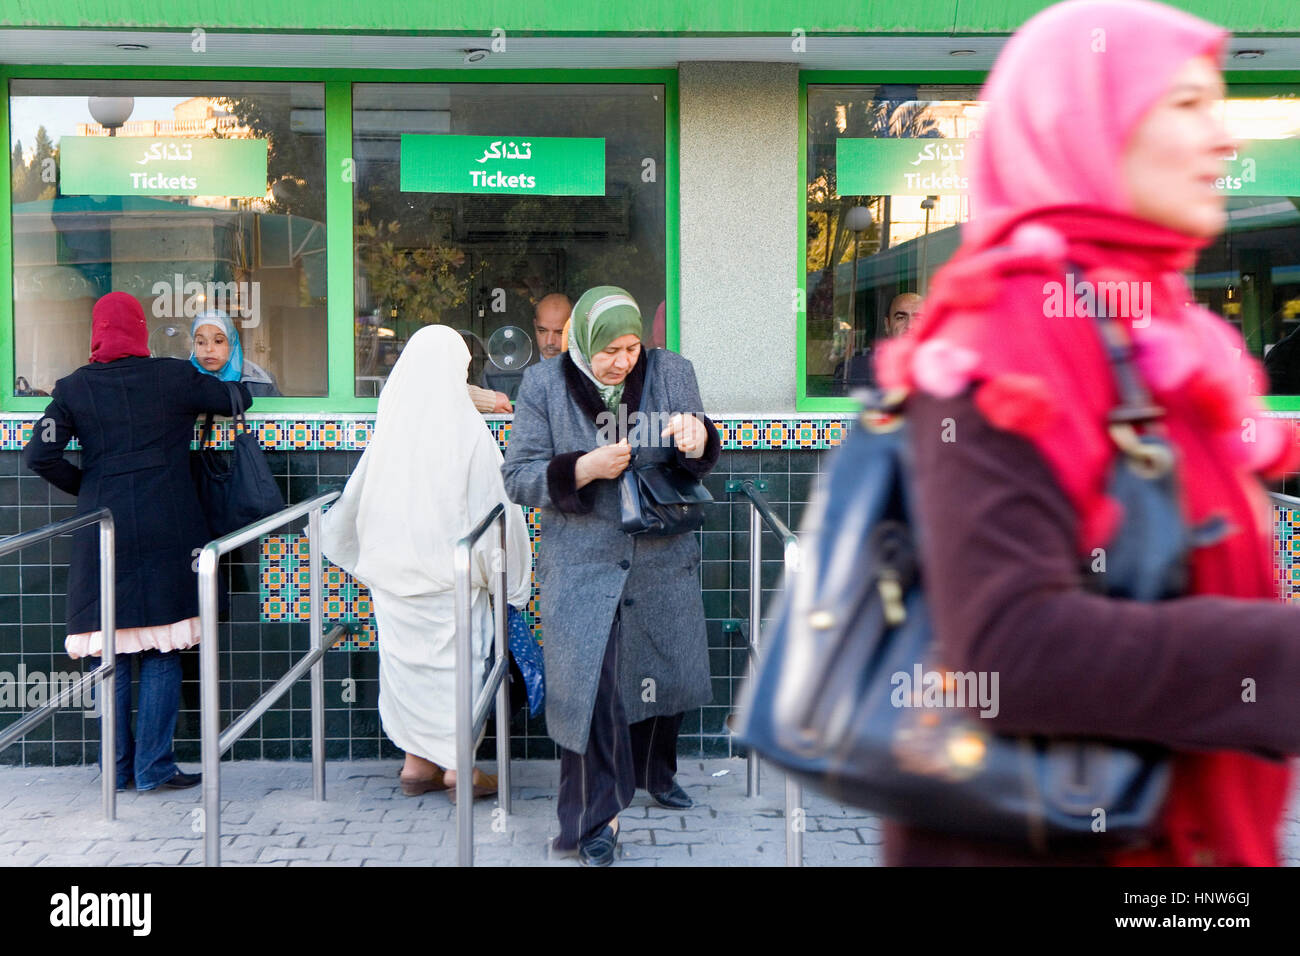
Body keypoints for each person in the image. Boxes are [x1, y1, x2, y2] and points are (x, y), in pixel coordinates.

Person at [875, 0, 1300, 866]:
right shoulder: (1010, 329)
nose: (1223, 139)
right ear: (1085, 123)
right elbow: (1011, 650)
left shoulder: (1158, 331)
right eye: (1186, 104)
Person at [501, 285, 720, 866]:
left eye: (632, 348)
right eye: (611, 352)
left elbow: (698, 442)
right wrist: (582, 467)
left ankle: (656, 770)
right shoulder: (544, 385)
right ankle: (595, 821)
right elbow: (518, 476)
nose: (625, 361)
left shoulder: (672, 370)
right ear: (583, 342)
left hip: (659, 555)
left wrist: (700, 437)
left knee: (661, 674)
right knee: (592, 695)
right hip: (582, 567)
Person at [23, 291, 251, 792]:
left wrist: (88, 486)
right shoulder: (172, 376)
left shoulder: (74, 388)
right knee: (164, 650)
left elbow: (38, 456)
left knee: (114, 652)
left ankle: (116, 770)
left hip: (105, 529)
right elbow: (235, 399)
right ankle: (153, 768)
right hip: (169, 525)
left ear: (98, 331)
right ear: (142, 331)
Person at [320, 324, 532, 798]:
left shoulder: (391, 430)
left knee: (406, 672)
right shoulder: (468, 434)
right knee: (460, 671)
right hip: (450, 584)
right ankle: (459, 770)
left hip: (393, 583)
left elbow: (357, 504)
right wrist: (513, 580)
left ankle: (416, 766)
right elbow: (496, 509)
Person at [480, 292, 572, 403]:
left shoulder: (591, 371)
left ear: (574, 329)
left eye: (559, 332)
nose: (549, 341)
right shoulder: (498, 374)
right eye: (542, 331)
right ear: (534, 325)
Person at [190, 309, 282, 398]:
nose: (209, 349)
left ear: (232, 342)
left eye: (218, 341)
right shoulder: (184, 378)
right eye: (201, 342)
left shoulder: (258, 381)